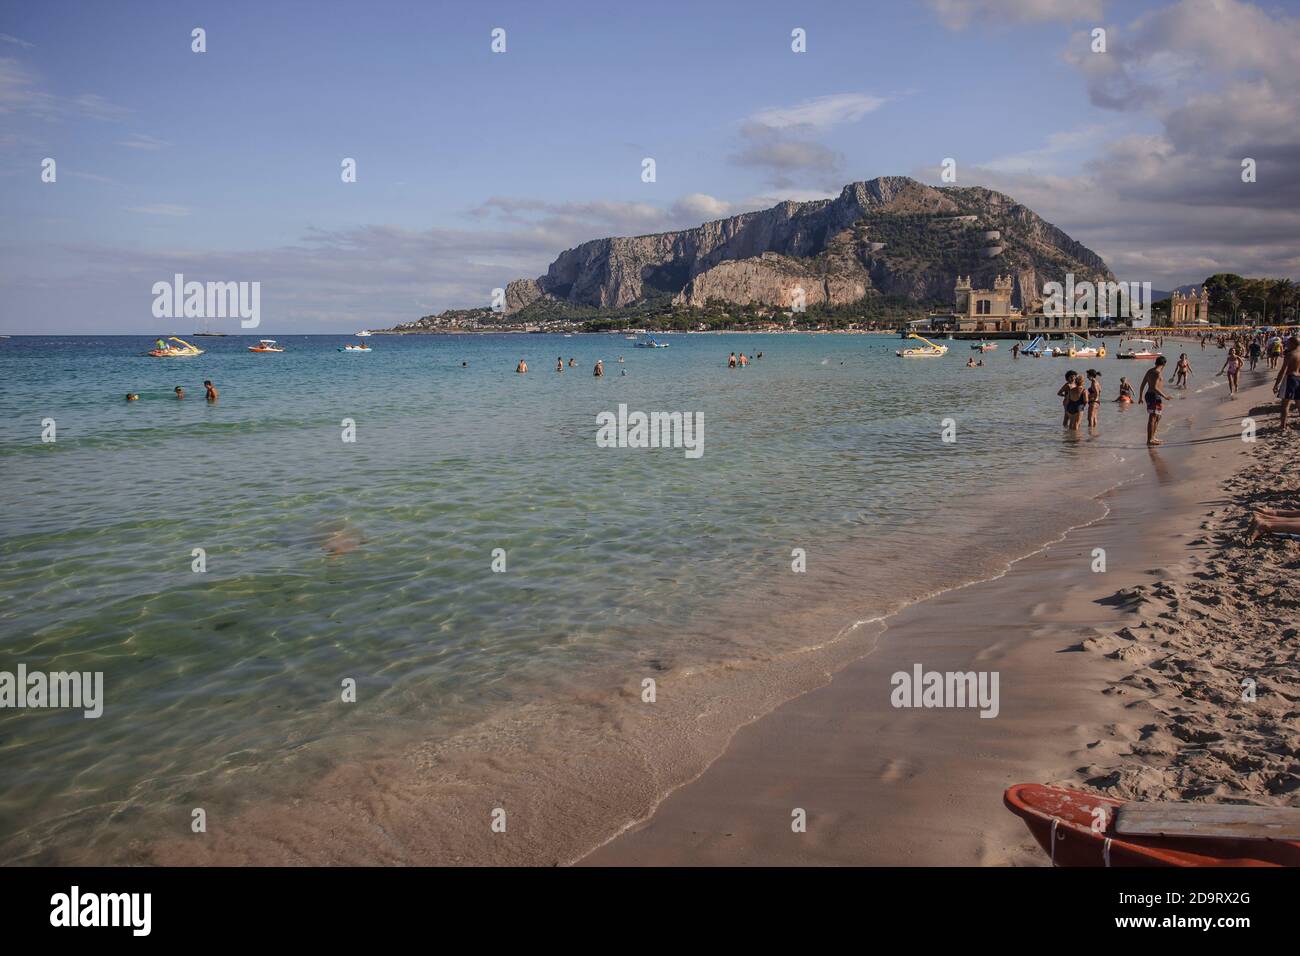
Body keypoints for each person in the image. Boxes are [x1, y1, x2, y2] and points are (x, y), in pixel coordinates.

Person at [1139, 356, 1172, 445]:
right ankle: (1150, 440)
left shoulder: (1149, 371)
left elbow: (1142, 384)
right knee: (1153, 418)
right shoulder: (1158, 373)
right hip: (1154, 396)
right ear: (1164, 364)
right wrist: (1165, 396)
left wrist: (1140, 396)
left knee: (1158, 417)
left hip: (1150, 395)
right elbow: (1154, 387)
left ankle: (1153, 437)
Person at [1274, 335, 1300, 432]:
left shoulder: (1290, 354)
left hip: (1290, 379)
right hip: (1299, 378)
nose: (1287, 345)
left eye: (1288, 343)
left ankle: (1282, 425)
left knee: (1285, 404)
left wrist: (1277, 384)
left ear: (1293, 343)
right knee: (1298, 403)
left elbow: (1283, 370)